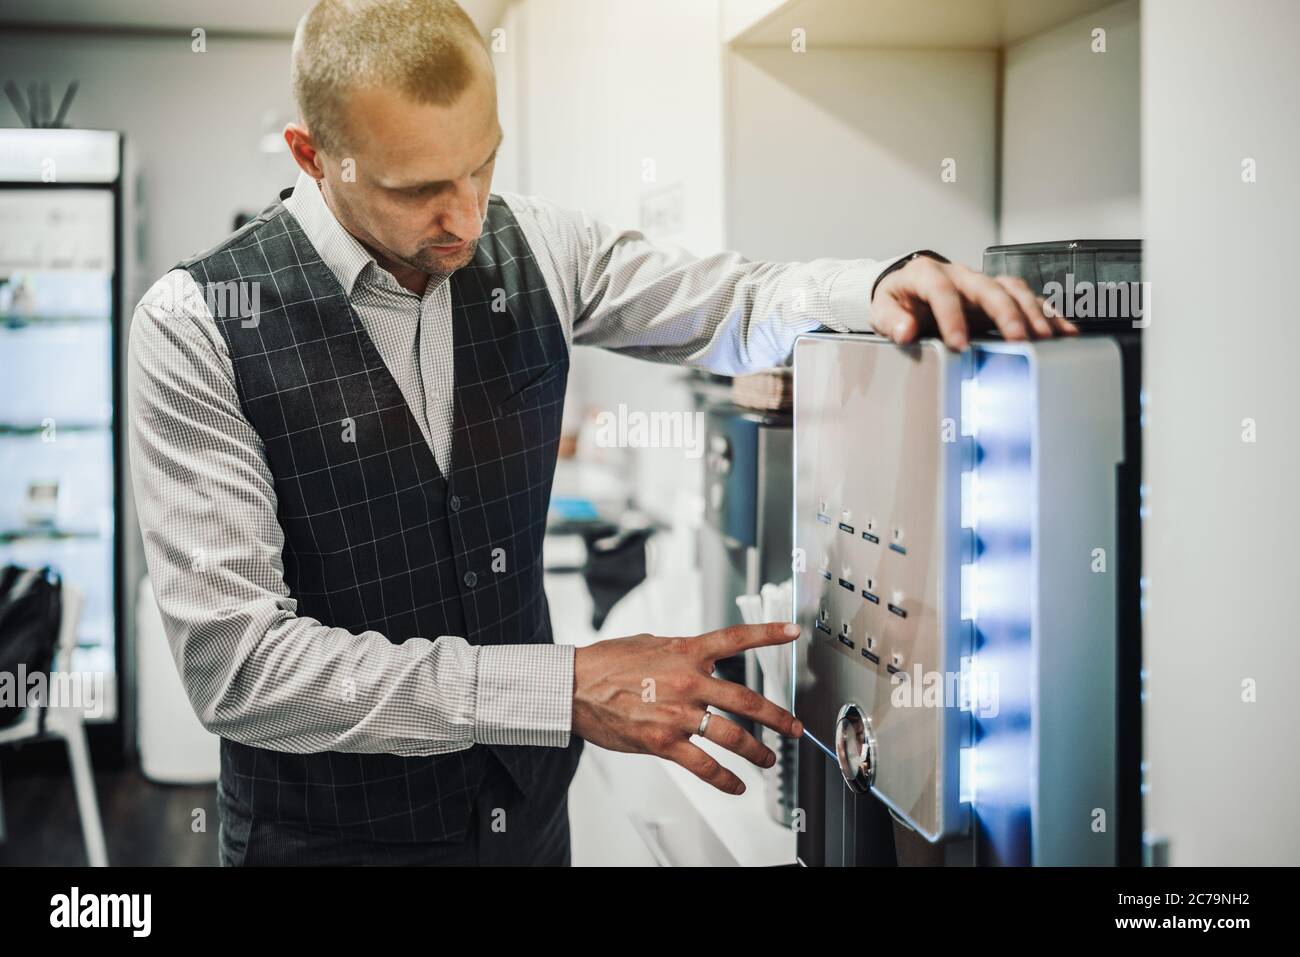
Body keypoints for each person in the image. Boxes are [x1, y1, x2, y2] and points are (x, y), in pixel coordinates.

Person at [127, 0, 1073, 866]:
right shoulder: (195, 323)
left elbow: (733, 302)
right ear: (309, 153)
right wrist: (561, 689)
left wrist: (873, 286)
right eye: (418, 189)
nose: (463, 217)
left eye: (482, 162)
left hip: (531, 825)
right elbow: (239, 667)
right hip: (325, 843)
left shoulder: (535, 243)